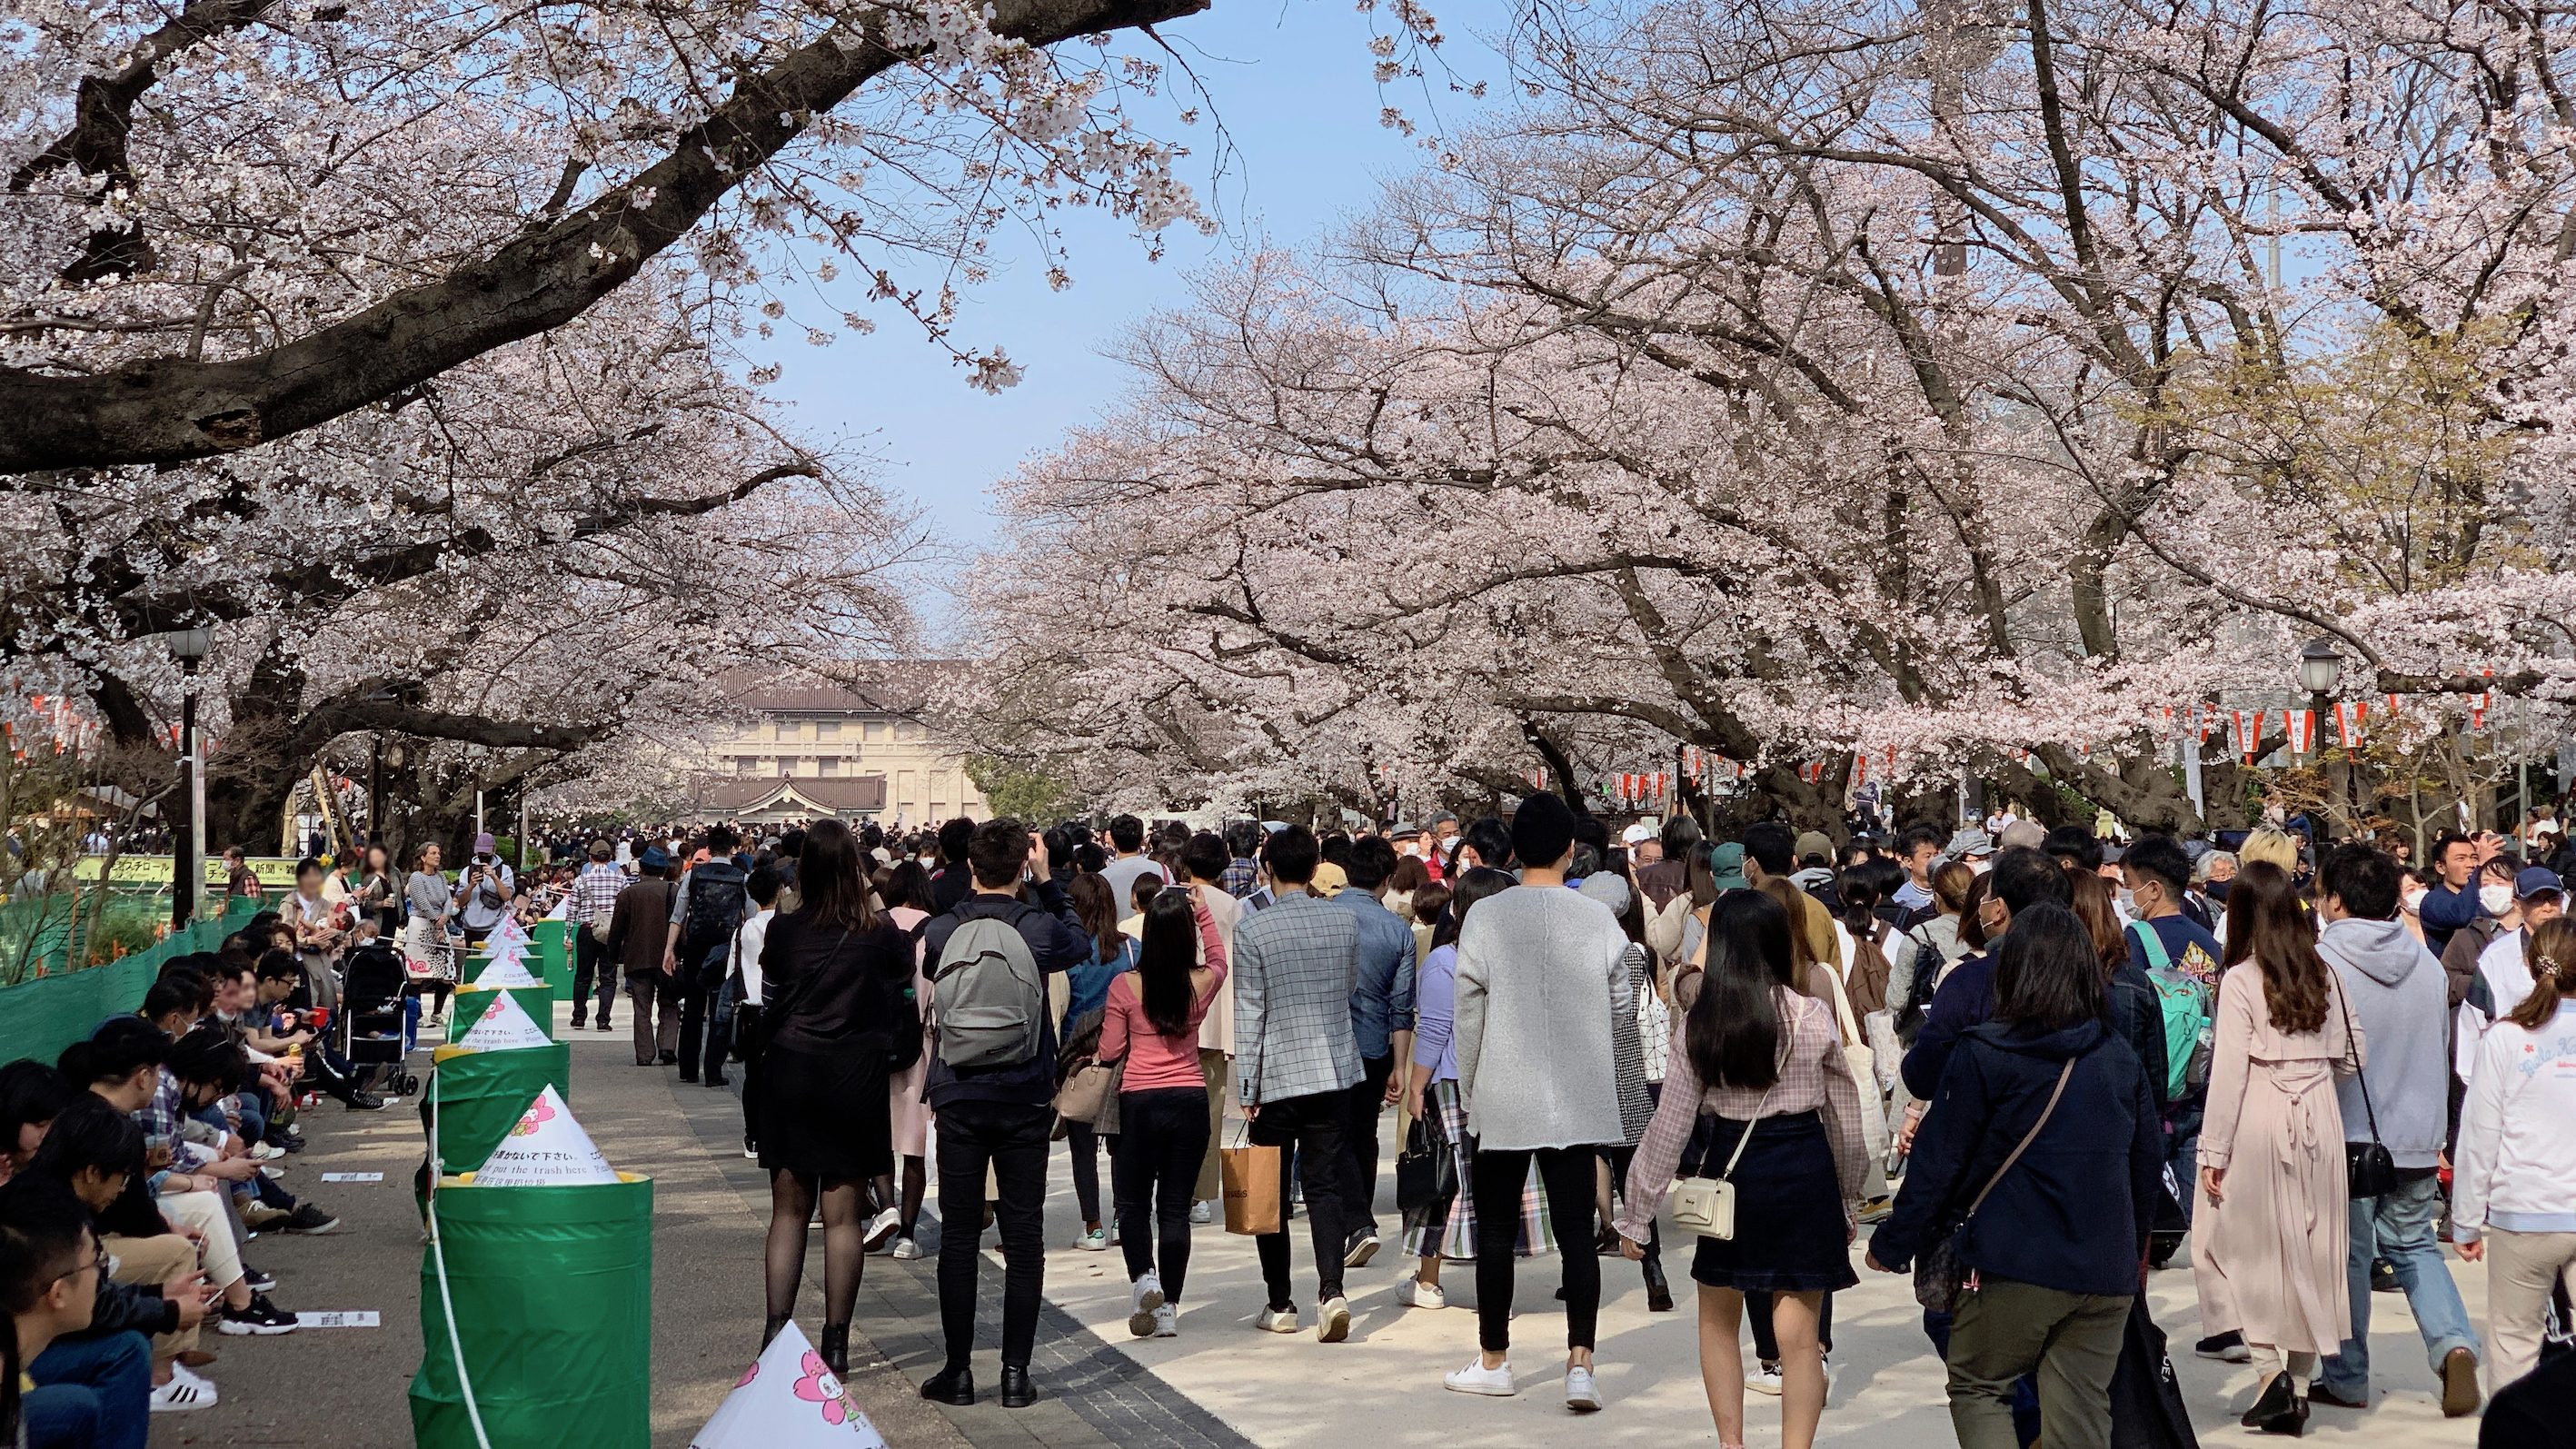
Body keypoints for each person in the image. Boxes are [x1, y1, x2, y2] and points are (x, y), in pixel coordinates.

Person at [1864, 903, 2164, 1449]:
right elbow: (2144, 1166)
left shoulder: (1984, 1051)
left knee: (1980, 1386)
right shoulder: (2118, 1056)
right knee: (2081, 1412)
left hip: (2011, 1259)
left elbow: (1939, 1163)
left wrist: (1894, 1241)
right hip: (2103, 1266)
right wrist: (2131, 1250)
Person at [1616, 889, 1865, 1449]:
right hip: (1804, 1168)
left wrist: (1638, 1213)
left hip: (1731, 1173)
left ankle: (1732, 1443)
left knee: (1717, 1318)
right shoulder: (1812, 1015)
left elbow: (1669, 1127)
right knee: (1799, 1339)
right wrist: (1848, 1198)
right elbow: (1845, 1118)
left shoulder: (1701, 1025)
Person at [1441, 793, 1629, 1410]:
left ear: (1514, 850)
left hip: (1504, 1088)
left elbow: (1469, 1012)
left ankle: (1495, 1359)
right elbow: (1622, 1006)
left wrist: (1472, 1086)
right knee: (1577, 1231)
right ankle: (1581, 1364)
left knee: (1495, 1232)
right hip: (1576, 1092)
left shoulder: (1485, 917)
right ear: (1571, 849)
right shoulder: (1596, 919)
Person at [918, 819, 1089, 1411]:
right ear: (1021, 865)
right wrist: (1048, 882)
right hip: (1024, 1092)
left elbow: (930, 973)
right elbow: (1079, 944)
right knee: (1023, 1235)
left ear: (970, 866)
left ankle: (958, 1371)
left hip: (959, 1092)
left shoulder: (944, 928)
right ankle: (1016, 1374)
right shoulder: (1037, 926)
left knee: (959, 1236)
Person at [2311, 842, 2484, 1416]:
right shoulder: (2426, 964)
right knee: (2414, 1246)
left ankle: (2346, 1376)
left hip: (2349, 1136)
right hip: (2416, 1135)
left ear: (2336, 900)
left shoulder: (2322, 964)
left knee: (2348, 1257)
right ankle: (2454, 1344)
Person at [2195, 860, 2360, 1436]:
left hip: (2260, 1112)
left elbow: (2228, 1073)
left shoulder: (2241, 979)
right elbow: (2353, 1054)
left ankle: (2270, 1376)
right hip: (2321, 1113)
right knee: (2314, 1251)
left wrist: (2213, 1151)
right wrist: (2313, 1073)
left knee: (2237, 1245)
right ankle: (2299, 1386)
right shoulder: (2326, 972)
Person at [751, 819, 910, 1374]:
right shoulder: (876, 931)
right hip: (854, 1077)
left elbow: (770, 993)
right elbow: (904, 964)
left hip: (791, 1071)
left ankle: (776, 1333)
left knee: (789, 1212)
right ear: (854, 870)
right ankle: (836, 1342)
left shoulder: (783, 930)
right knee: (843, 1219)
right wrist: (869, 893)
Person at [1230, 824, 1364, 1344]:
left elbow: (1250, 1011)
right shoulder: (1344, 921)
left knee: (1271, 1190)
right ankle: (1332, 1290)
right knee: (1324, 1184)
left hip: (1277, 1073)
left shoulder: (1254, 930)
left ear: (1267, 869)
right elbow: (1349, 986)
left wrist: (1247, 1087)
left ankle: (1280, 1301)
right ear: (1314, 869)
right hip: (1332, 1067)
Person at [1398, 868, 1551, 1308]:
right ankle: (1495, 1276)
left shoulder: (1445, 962)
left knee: (1446, 1178)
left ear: (1458, 909)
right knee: (1500, 1181)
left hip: (1453, 1082)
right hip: (1511, 1080)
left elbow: (1434, 1031)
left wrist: (1416, 1087)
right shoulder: (1525, 959)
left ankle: (1428, 1281)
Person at [2452, 916, 2576, 1398]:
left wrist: (2466, 1219)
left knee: (2512, 1345)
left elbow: (2480, 1134)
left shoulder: (2505, 1038)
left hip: (2523, 1212)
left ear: (2529, 965)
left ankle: (2513, 1427)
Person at [1100, 882, 1228, 1337]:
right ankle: (1169, 1308)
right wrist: (1204, 913)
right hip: (1190, 1100)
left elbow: (1110, 1050)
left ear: (1148, 934)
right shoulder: (1201, 984)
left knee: (1132, 1203)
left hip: (1139, 1102)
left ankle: (1145, 1279)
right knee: (1174, 1209)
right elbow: (1219, 959)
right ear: (1186, 936)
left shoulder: (1125, 986)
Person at [1328, 834, 1416, 1267]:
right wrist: (1399, 1066)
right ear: (1386, 879)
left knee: (1334, 1133)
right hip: (1373, 1043)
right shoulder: (1398, 931)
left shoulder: (1324, 917)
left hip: (1326, 1041)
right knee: (1363, 1133)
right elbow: (1402, 1007)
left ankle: (1356, 1222)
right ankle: (1358, 1223)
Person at [1059, 872, 1130, 1251]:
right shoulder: (1132, 949)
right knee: (1123, 1145)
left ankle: (1093, 1226)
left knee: (1082, 1151)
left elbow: (1062, 1008)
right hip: (1126, 1058)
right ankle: (1123, 1218)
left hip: (1080, 1061)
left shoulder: (1069, 953)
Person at [874, 862, 937, 1259]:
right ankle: (908, 1237)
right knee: (914, 1146)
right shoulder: (937, 931)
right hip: (920, 1048)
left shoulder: (873, 925)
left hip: (874, 1046)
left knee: (876, 1136)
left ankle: (886, 1207)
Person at [1177, 832, 1239, 1226]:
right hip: (1214, 1017)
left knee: (1174, 1105)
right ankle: (1200, 1194)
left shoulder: (1171, 898)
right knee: (1210, 1111)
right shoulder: (1231, 905)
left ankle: (1174, 1187)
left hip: (1176, 1014)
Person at [608, 846, 681, 1066]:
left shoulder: (628, 894)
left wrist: (614, 956)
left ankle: (645, 1054)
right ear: (664, 870)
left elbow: (616, 930)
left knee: (641, 1008)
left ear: (641, 868)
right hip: (667, 958)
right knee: (669, 1003)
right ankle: (667, 1046)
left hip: (637, 958)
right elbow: (681, 924)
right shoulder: (673, 891)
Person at [567, 839, 627, 1032]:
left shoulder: (581, 880)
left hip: (587, 930)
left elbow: (571, 910)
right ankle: (603, 1020)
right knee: (608, 977)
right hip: (611, 932)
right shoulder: (620, 880)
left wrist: (567, 934)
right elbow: (626, 908)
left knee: (583, 975)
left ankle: (579, 1017)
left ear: (590, 858)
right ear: (610, 858)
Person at [2421, 832, 2486, 958]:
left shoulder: (2485, 895)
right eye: (2461, 858)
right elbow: (2461, 915)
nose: (2471, 865)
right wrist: (2481, 867)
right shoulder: (2433, 901)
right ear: (2441, 867)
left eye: (2474, 858)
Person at [452, 833, 515, 949]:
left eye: (486, 853)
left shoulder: (504, 870)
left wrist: (495, 878)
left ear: (493, 850)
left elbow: (507, 897)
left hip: (495, 926)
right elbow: (460, 902)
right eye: (480, 853)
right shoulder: (467, 871)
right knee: (474, 959)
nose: (483, 856)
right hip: (471, 927)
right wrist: (471, 885)